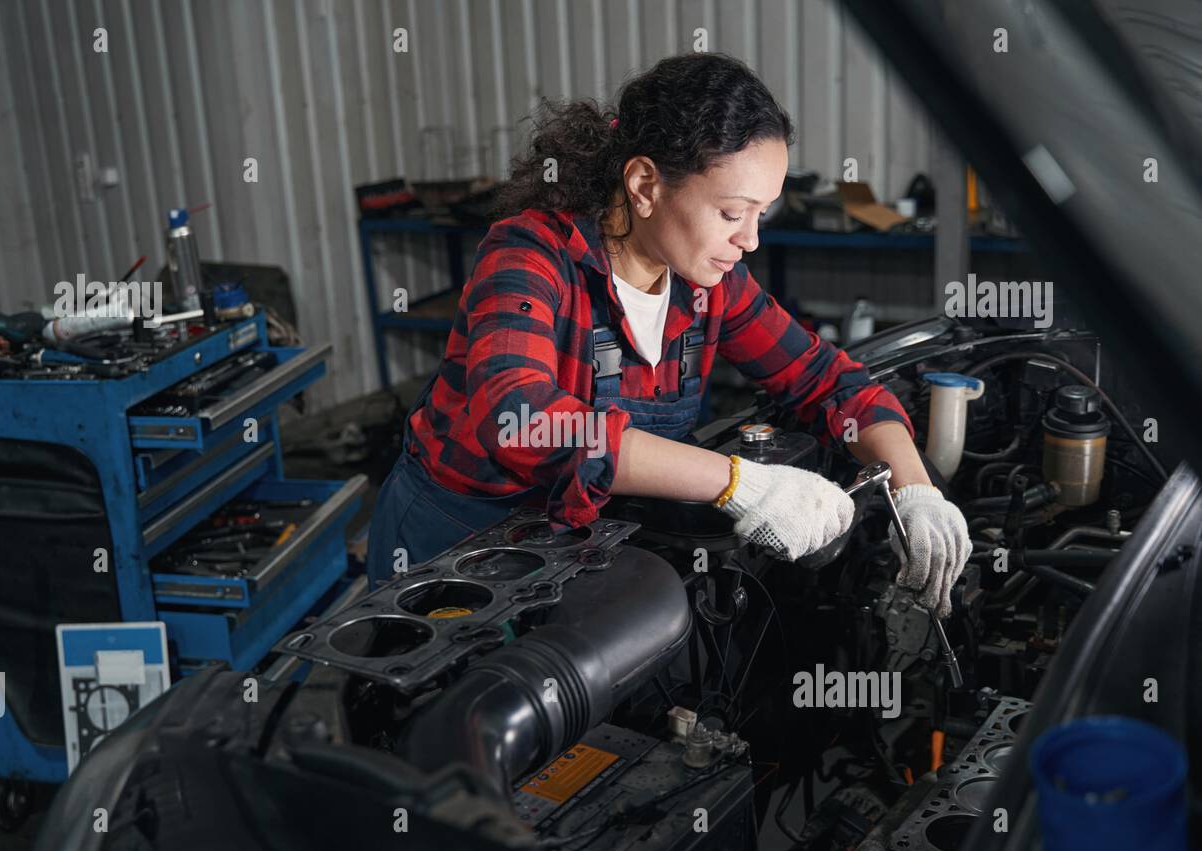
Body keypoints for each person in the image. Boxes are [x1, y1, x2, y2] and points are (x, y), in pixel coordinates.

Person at [367, 52, 969, 618]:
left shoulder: (709, 284)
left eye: (764, 213)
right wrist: (737, 482)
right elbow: (522, 417)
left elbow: (824, 378)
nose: (751, 239)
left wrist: (915, 489)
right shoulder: (529, 257)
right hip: (459, 544)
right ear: (646, 185)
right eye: (733, 214)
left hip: (581, 541)